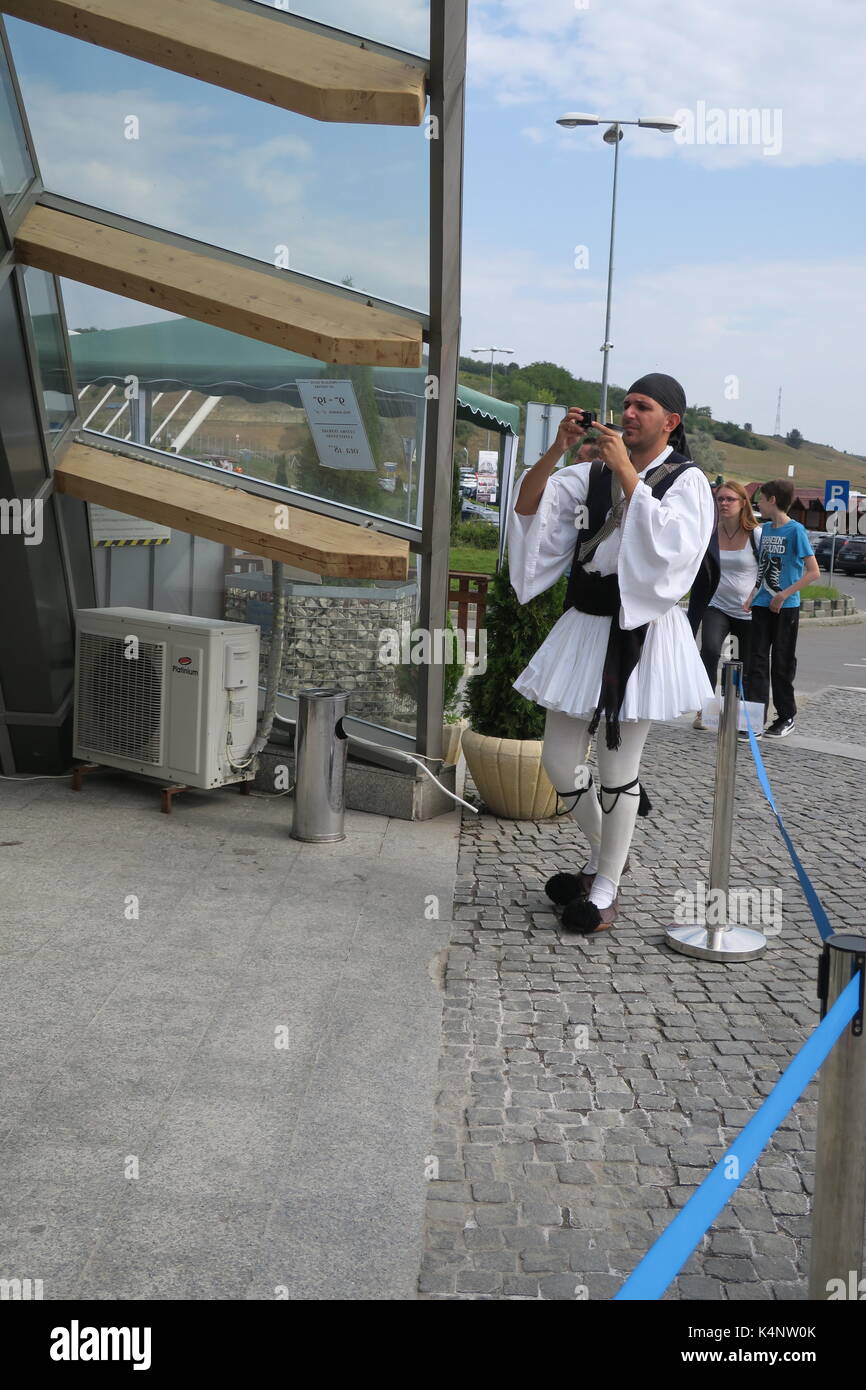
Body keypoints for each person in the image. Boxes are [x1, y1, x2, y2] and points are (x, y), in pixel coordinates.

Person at [508, 374, 716, 934]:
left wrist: (624, 466)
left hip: (642, 633)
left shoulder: (687, 481)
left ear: (670, 420)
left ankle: (604, 887)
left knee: (618, 767)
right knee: (557, 761)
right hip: (587, 625)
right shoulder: (593, 470)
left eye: (641, 407)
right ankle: (609, 857)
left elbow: (673, 553)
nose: (628, 414)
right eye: (625, 404)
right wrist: (557, 450)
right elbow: (531, 510)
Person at [742, 478, 819, 738]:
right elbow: (763, 569)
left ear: (772, 500)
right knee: (757, 662)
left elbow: (813, 572)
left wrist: (784, 594)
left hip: (786, 608)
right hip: (762, 604)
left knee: (782, 663)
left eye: (761, 499)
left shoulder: (795, 531)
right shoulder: (765, 530)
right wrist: (753, 595)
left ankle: (786, 717)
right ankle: (754, 721)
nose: (759, 505)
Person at [693, 479, 762, 730]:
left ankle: (737, 714)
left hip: (747, 610)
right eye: (720, 499)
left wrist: (756, 594)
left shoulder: (756, 534)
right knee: (709, 651)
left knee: (743, 662)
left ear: (743, 502)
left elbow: (770, 569)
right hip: (716, 604)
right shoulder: (709, 531)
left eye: (729, 499)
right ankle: (706, 711)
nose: (723, 503)